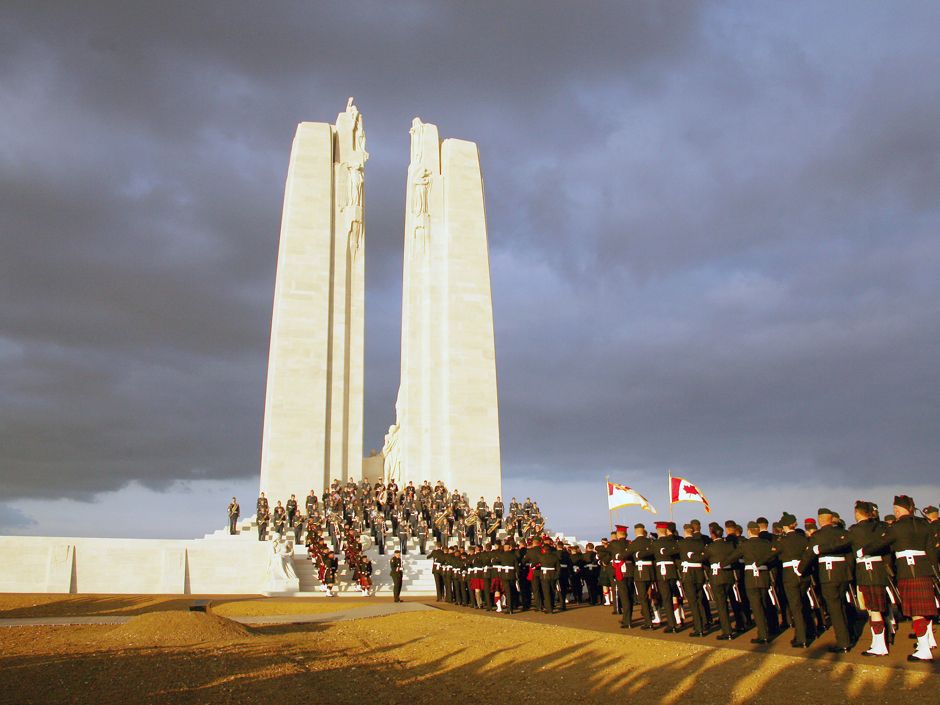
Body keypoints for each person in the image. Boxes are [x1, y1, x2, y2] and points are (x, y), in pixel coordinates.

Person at [864, 495, 938, 662]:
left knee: (917, 613)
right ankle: (923, 645)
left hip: (907, 572)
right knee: (924, 611)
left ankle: (924, 650)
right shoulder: (924, 524)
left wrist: (863, 551)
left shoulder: (896, 527)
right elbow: (932, 553)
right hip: (924, 571)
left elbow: (880, 544)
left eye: (895, 509)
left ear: (898, 510)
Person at [799, 508, 854, 653]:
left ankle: (843, 642)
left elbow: (809, 555)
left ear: (820, 520)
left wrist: (800, 570)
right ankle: (849, 635)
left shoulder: (818, 536)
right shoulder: (842, 533)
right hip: (843, 572)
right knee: (842, 605)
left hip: (828, 574)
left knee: (835, 609)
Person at [725, 521, 775, 644]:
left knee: (756, 605)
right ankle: (769, 628)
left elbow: (733, 557)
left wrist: (722, 563)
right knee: (764, 602)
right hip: (763, 575)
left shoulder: (745, 545)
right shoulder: (766, 543)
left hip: (750, 577)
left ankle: (763, 634)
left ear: (749, 531)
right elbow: (772, 557)